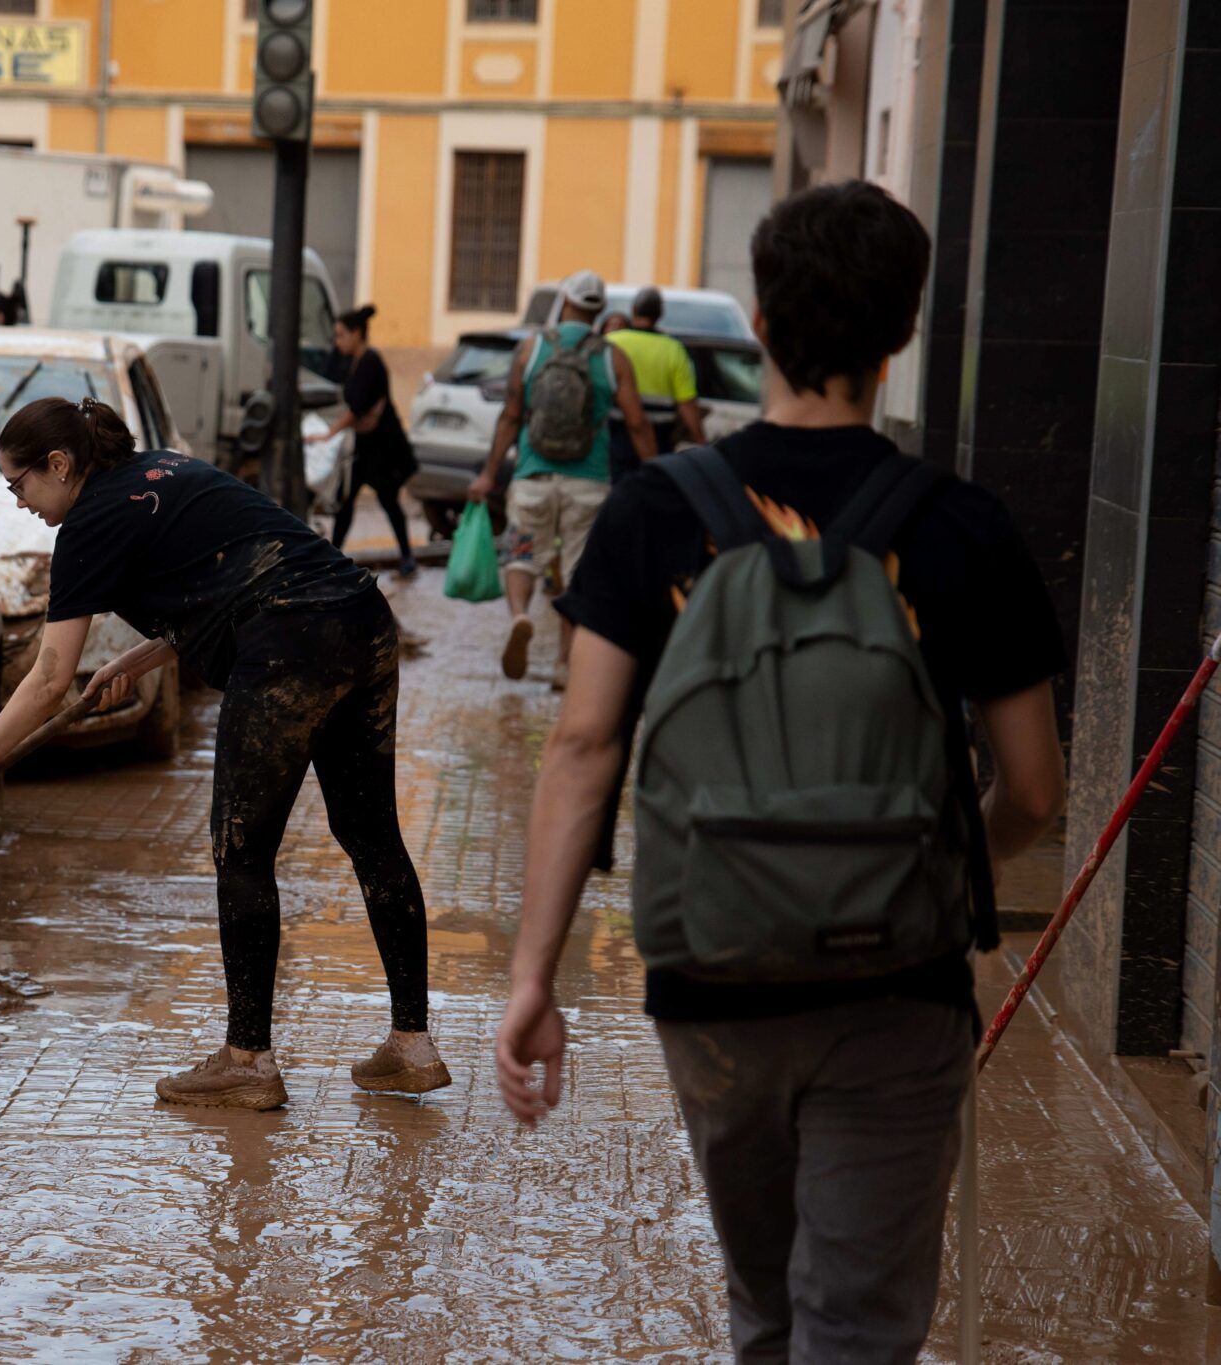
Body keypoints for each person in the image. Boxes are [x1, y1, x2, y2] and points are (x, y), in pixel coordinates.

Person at [494, 181, 1068, 1363]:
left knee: (765, 1307)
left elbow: (584, 745)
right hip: (895, 987)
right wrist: (937, 862)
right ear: (899, 335)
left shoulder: (659, 511)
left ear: (758, 323)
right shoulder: (961, 525)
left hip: (713, 983)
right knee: (854, 1327)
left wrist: (531, 977)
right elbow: (1035, 792)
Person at [0, 396, 449, 1110]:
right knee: (371, 835)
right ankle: (412, 1046)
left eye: (21, 486)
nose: (22, 505)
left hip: (288, 642)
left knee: (242, 849)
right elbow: (238, 572)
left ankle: (248, 1060)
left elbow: (48, 678)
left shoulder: (88, 524)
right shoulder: (165, 469)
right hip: (358, 620)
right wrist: (139, 659)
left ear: (59, 464)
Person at [468, 269, 655, 687]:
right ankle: (564, 665)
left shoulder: (533, 348)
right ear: (599, 310)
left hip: (534, 475)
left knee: (521, 554)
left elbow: (511, 415)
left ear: (564, 301)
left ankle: (519, 616)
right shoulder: (611, 356)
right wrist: (656, 474)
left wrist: (487, 473)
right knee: (578, 571)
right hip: (587, 483)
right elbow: (638, 423)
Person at [324, 304, 418, 577]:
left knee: (388, 500)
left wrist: (327, 435)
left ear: (357, 333)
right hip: (362, 448)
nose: (337, 341)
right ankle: (332, 558)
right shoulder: (352, 362)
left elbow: (355, 409)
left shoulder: (370, 361)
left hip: (381, 448)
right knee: (345, 502)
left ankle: (407, 556)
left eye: (341, 335)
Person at [604, 286, 707, 482]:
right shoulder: (673, 349)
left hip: (616, 436)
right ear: (659, 314)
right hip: (659, 440)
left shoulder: (611, 342)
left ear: (633, 310)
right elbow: (686, 403)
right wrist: (700, 440)